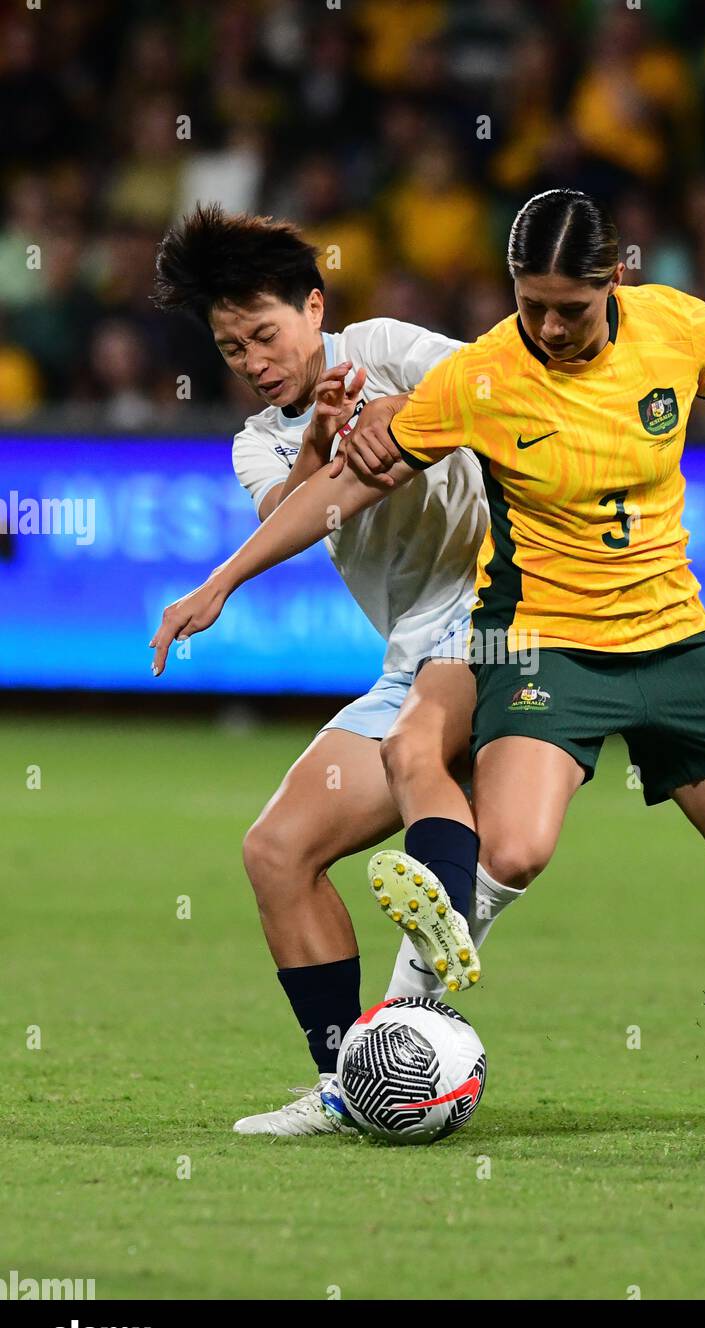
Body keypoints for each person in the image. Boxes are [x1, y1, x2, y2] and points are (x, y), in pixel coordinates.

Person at [349, 188, 705, 1146]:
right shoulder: (483, 374)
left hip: (675, 639)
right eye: (527, 301)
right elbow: (359, 471)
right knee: (515, 851)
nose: (545, 324)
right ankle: (387, 1039)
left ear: (617, 278)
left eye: (567, 307)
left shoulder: (677, 327)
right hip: (546, 642)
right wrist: (234, 571)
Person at [151, 205, 517, 1138]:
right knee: (275, 852)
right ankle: (354, 1079)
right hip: (409, 654)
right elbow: (298, 507)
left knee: (412, 749)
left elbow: (497, 384)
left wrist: (402, 411)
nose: (253, 360)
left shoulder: (391, 348)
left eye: (264, 334)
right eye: (232, 349)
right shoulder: (259, 442)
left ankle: (448, 912)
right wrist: (314, 450)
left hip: (501, 618)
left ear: (315, 308)